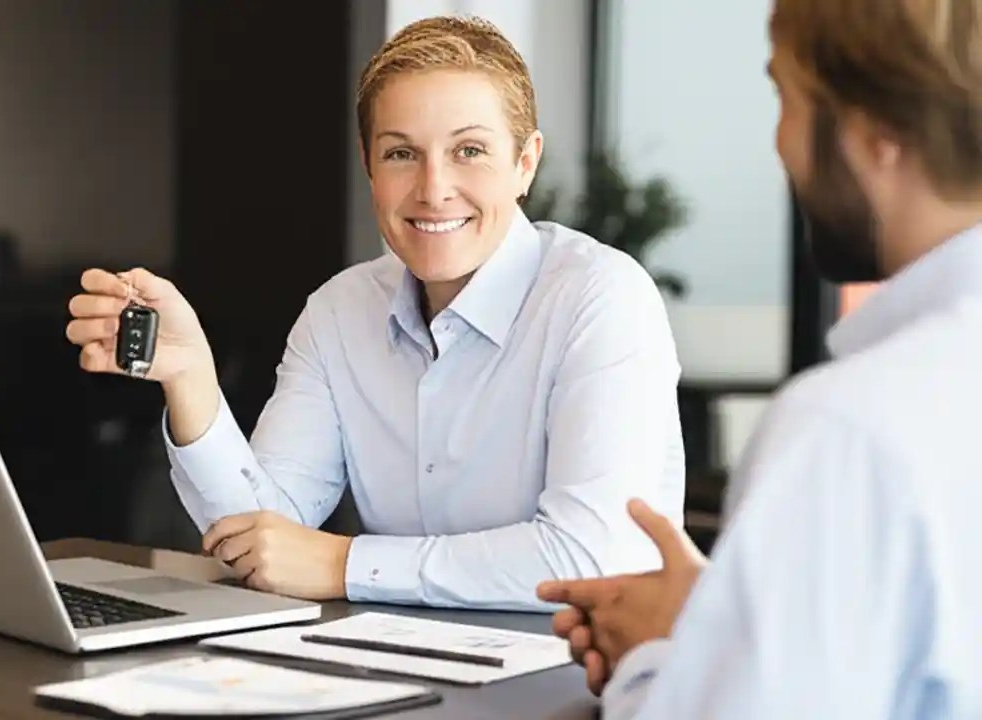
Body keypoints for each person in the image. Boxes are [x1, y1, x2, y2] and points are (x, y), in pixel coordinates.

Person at [66, 15, 685, 610]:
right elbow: (262, 540)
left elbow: (587, 556)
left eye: (469, 150)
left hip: (573, 667)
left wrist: (344, 564)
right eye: (400, 154)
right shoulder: (339, 312)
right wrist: (192, 379)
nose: (433, 188)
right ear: (368, 163)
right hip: (399, 657)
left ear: (525, 163)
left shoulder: (602, 298)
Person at [537, 0, 982, 716]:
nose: (778, 144)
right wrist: (732, 616)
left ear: (876, 131)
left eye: (786, 98)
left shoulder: (845, 432)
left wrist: (658, 660)